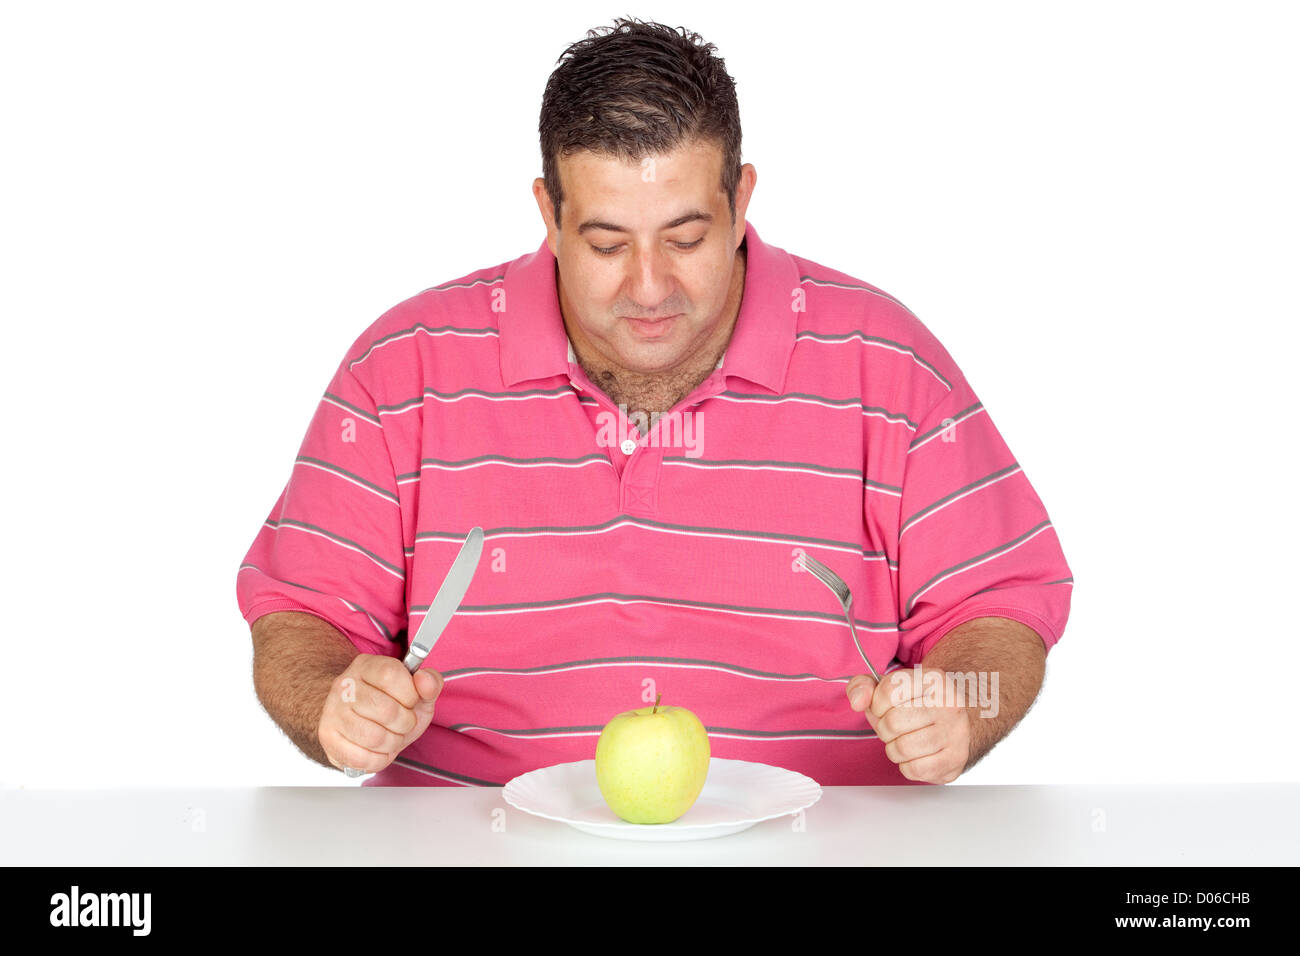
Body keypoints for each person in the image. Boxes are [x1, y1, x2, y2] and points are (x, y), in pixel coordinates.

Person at [238, 18, 1073, 788]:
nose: (649, 288)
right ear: (549, 213)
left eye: (686, 237)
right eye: (606, 243)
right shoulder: (403, 370)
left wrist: (966, 704)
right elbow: (301, 615)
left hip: (822, 847)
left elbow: (999, 604)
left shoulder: (887, 363)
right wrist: (333, 703)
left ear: (741, 201)